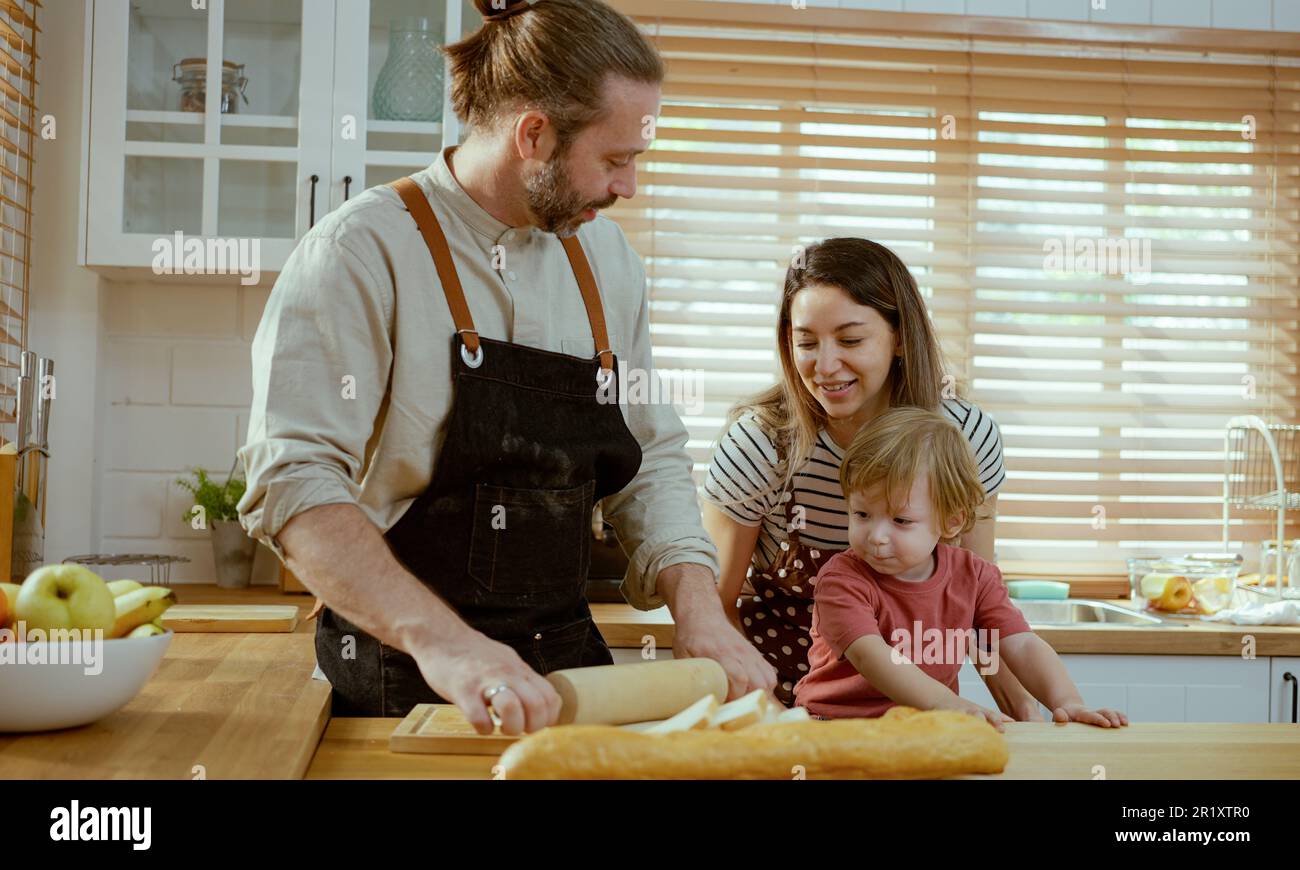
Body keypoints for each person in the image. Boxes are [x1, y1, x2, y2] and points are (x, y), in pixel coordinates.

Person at [237, 0, 774, 734]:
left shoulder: (608, 262)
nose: (628, 188)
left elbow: (651, 456)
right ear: (533, 134)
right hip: (408, 680)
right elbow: (294, 481)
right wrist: (450, 647)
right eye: (615, 160)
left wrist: (698, 608)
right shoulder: (362, 252)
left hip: (571, 671)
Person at [701, 237, 1039, 715]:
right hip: (779, 697)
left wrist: (1023, 710)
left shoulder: (963, 436)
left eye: (851, 340)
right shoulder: (762, 445)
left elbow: (977, 606)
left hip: (919, 708)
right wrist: (773, 717)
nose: (825, 365)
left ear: (900, 337)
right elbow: (713, 609)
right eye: (806, 343)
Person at [794, 407, 1129, 730]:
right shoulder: (841, 580)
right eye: (862, 514)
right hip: (833, 729)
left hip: (926, 730)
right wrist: (948, 705)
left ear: (950, 521)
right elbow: (873, 658)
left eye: (901, 520)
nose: (877, 536)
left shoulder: (975, 576)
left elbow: (1020, 644)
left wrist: (1067, 701)